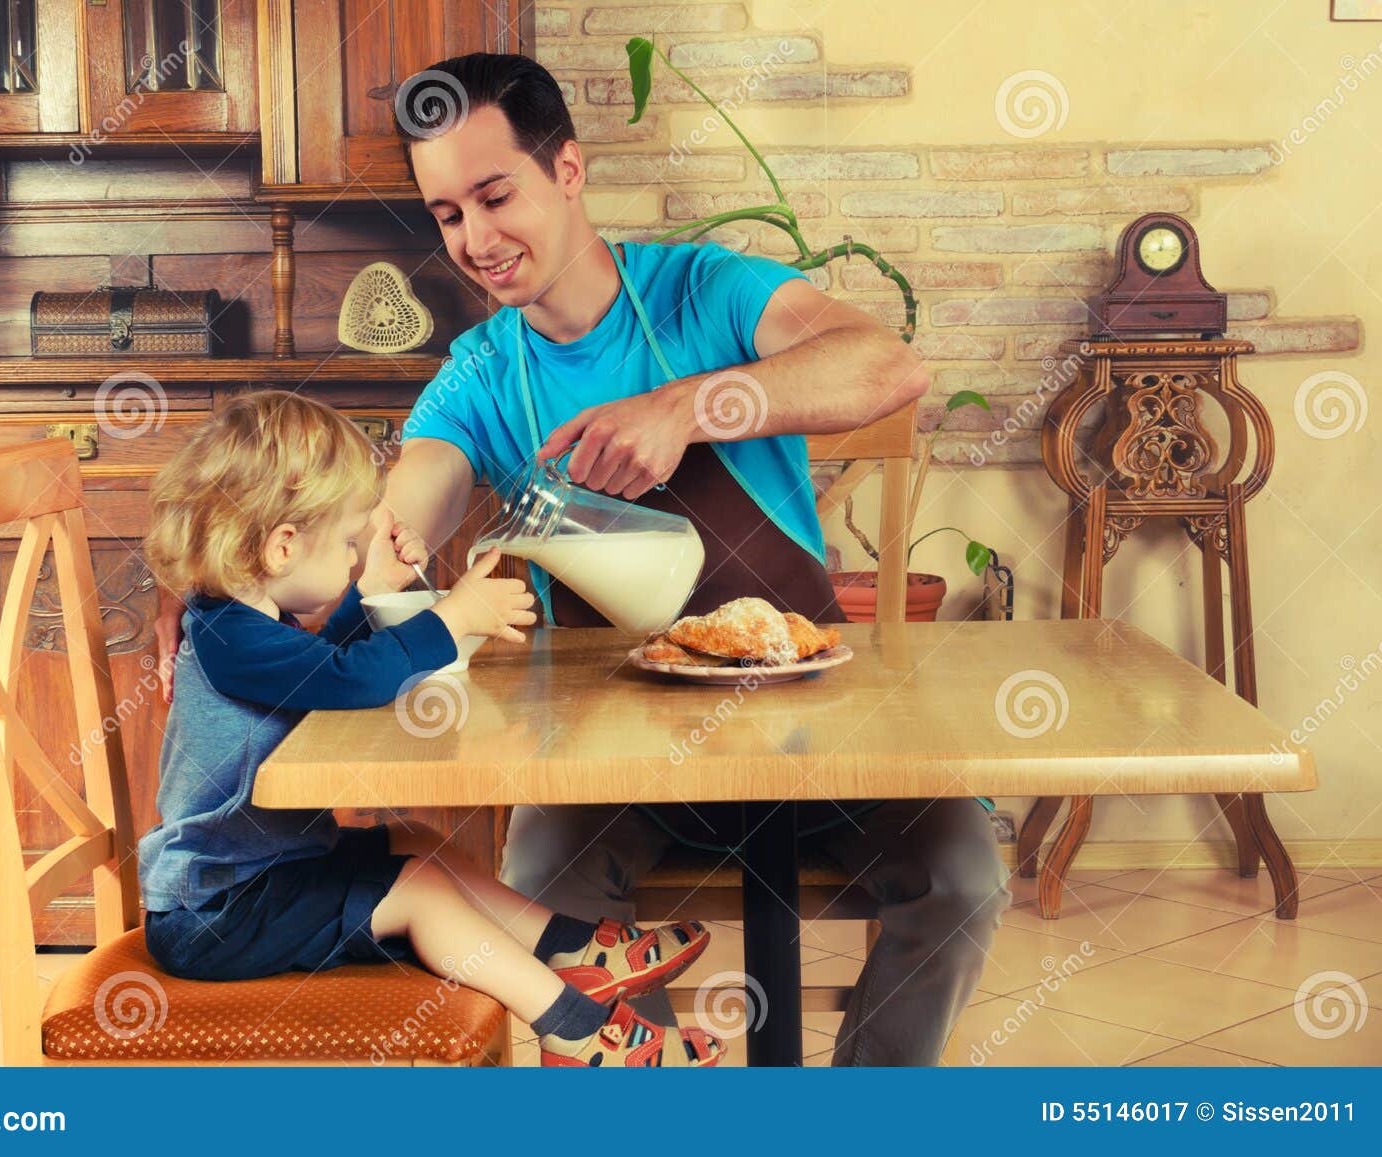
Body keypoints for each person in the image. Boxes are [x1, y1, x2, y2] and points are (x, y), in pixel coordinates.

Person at [381, 53, 1013, 1066]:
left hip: (818, 727)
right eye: (448, 214)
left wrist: (691, 404)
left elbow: (888, 362)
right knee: (544, 889)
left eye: (496, 195)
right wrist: (392, 531)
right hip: (616, 756)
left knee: (963, 880)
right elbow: (423, 479)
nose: (478, 241)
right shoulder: (484, 373)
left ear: (570, 170)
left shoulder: (703, 292)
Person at [138, 389, 725, 1067]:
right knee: (419, 889)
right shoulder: (226, 635)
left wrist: (371, 589)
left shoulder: (243, 622)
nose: (356, 556)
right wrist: (453, 616)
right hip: (217, 914)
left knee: (415, 841)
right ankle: (576, 1029)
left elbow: (323, 667)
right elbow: (350, 678)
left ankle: (576, 948)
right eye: (350, 543)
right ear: (281, 545)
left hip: (259, 876)